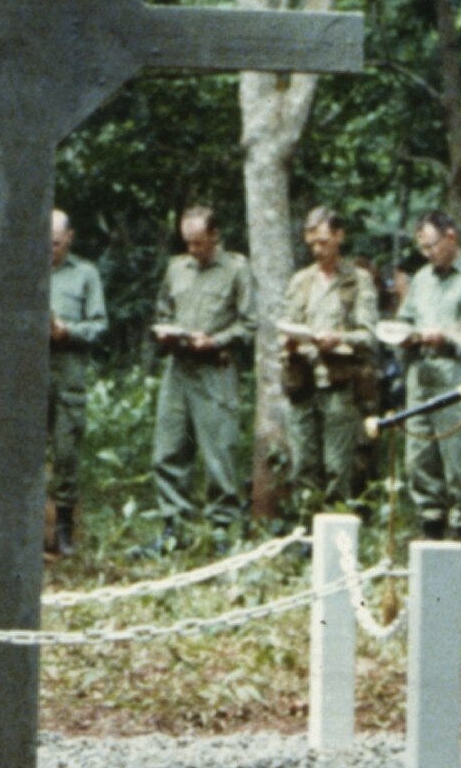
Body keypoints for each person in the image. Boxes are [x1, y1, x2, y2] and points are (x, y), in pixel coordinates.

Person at [148, 204, 256, 550]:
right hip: (178, 370)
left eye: (199, 242)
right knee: (168, 450)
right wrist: (166, 333)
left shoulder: (237, 269)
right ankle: (173, 529)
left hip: (215, 370)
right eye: (188, 243)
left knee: (218, 452)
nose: (193, 250)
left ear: (215, 236)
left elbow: (250, 324)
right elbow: (163, 310)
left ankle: (221, 531)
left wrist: (217, 340)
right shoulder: (177, 269)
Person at [397, 210, 461, 543]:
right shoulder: (423, 278)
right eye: (422, 248)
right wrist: (406, 333)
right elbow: (406, 317)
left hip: (458, 373)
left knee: (460, 459)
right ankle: (432, 532)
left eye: (432, 245)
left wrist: (449, 335)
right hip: (421, 375)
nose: (428, 254)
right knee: (419, 459)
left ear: (451, 235)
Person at [279, 206, 379, 515]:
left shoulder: (358, 280)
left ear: (339, 236)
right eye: (312, 244)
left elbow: (369, 334)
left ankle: (337, 532)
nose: (318, 250)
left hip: (339, 382)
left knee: (338, 465)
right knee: (303, 464)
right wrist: (290, 342)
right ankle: (306, 532)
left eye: (324, 242)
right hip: (303, 381)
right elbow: (287, 324)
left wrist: (340, 338)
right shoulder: (301, 281)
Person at [46, 210, 109, 554]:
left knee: (67, 452)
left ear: (69, 238)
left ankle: (65, 530)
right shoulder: (26, 271)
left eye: (55, 243)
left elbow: (99, 325)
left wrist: (68, 331)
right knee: (27, 453)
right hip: (30, 377)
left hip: (68, 375)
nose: (49, 250)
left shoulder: (85, 274)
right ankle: (30, 525)